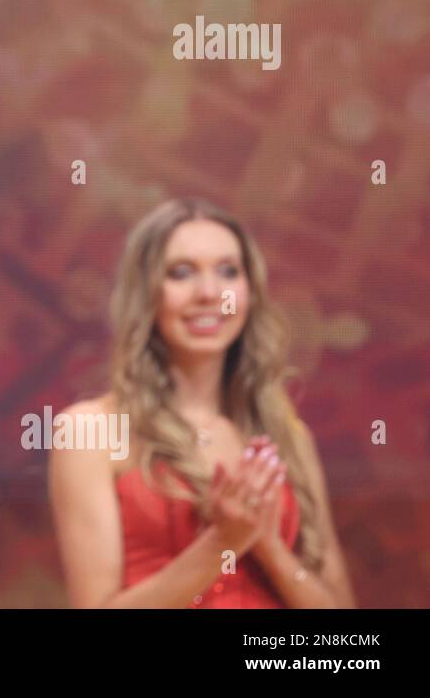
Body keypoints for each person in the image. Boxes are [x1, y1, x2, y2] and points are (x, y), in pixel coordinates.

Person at [49, 198, 356, 608]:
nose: (210, 293)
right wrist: (221, 543)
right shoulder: (91, 429)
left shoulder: (287, 434)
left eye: (228, 271)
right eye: (181, 273)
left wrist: (268, 546)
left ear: (250, 291)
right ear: (146, 294)